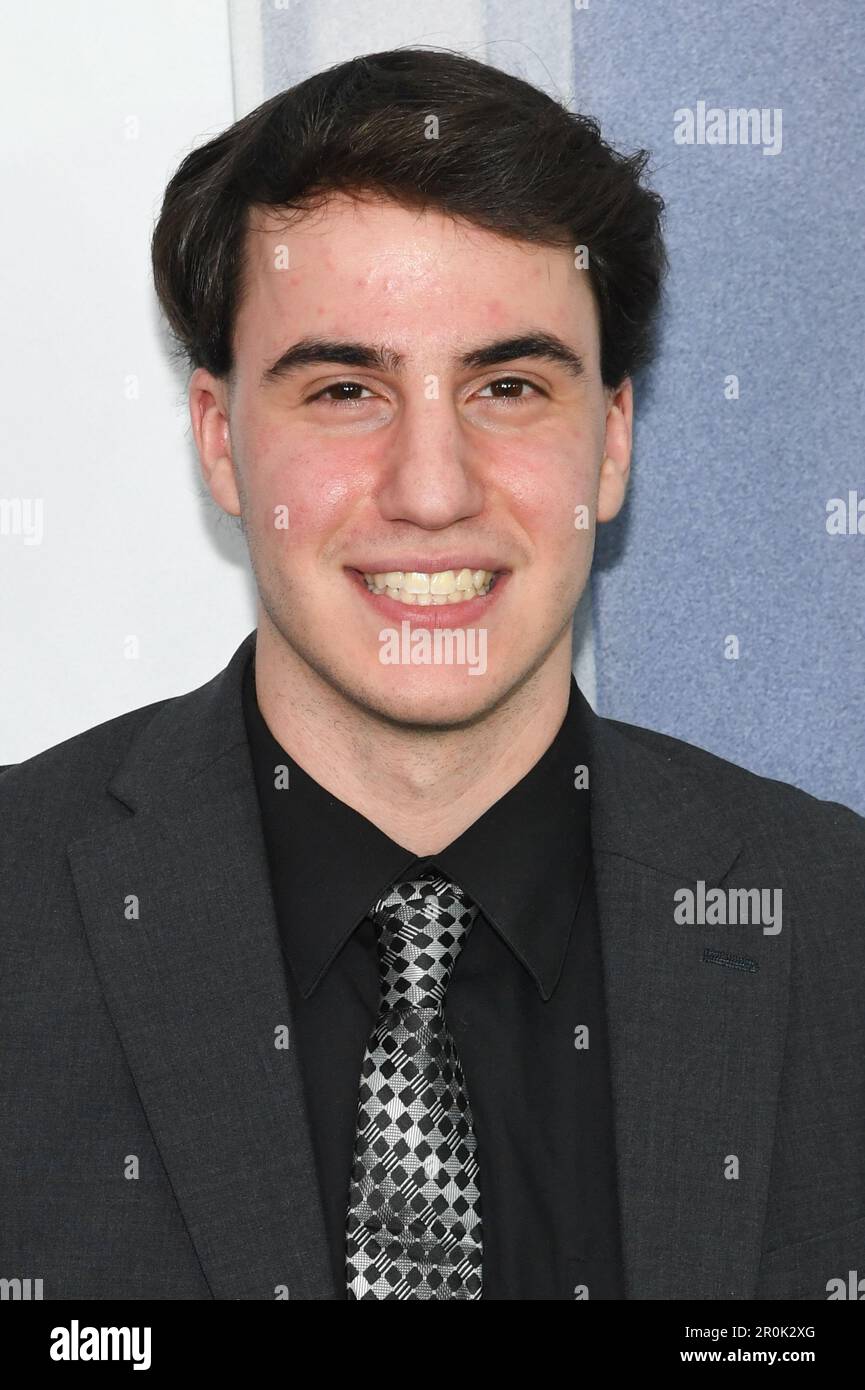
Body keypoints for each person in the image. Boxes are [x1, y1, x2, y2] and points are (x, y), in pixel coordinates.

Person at [1, 48, 863, 1302]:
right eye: (345, 389)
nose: (432, 488)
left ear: (611, 442)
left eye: (507, 386)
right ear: (220, 443)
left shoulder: (836, 932)